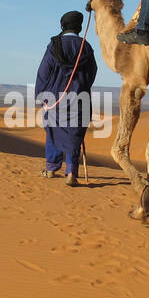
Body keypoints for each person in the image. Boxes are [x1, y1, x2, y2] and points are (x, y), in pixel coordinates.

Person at [35, 10, 98, 186]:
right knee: (74, 133)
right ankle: (71, 172)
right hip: (79, 97)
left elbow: (43, 72)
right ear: (78, 27)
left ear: (63, 26)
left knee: (54, 130)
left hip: (55, 97)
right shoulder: (85, 46)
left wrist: (41, 95)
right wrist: (83, 86)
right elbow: (92, 71)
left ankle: (51, 169)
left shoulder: (54, 45)